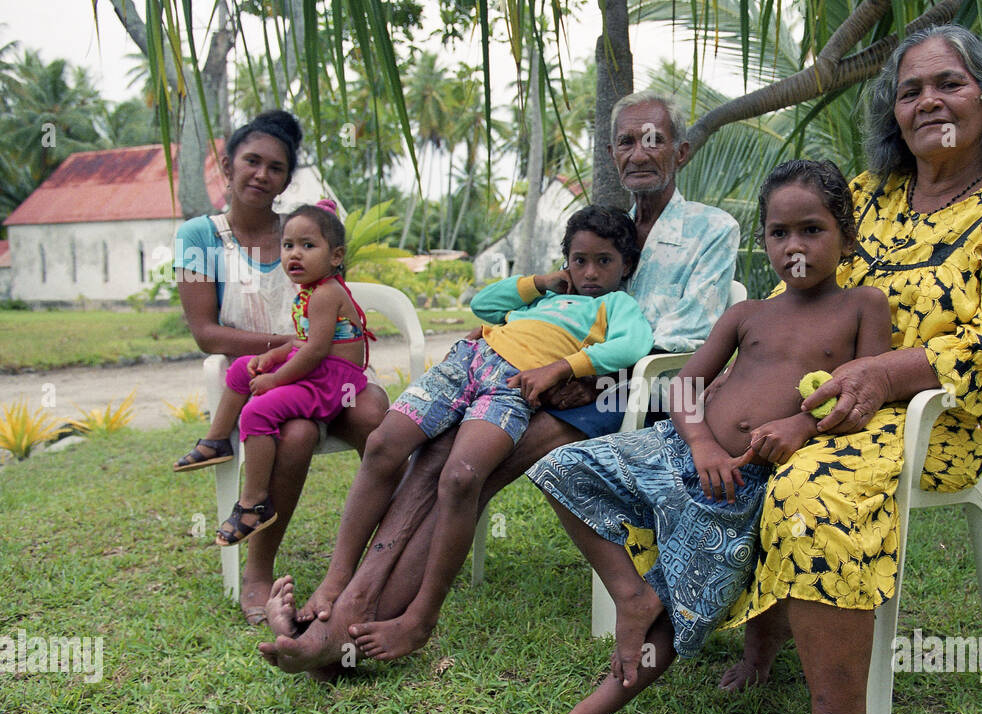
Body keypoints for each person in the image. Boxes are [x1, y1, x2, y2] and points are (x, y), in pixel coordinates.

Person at [713, 25, 982, 714]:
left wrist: (888, 372)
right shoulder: (869, 195)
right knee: (721, 447)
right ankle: (753, 640)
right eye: (910, 89)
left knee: (814, 488)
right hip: (826, 401)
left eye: (948, 83)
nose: (929, 101)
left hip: (937, 422)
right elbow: (801, 286)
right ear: (893, 111)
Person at [259, 91, 740, 679]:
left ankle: (343, 634)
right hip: (542, 380)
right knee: (432, 454)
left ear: (681, 151)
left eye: (654, 139)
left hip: (630, 394)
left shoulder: (710, 228)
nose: (639, 152)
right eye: (625, 140)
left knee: (468, 471)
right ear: (612, 152)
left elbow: (688, 339)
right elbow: (541, 307)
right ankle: (346, 610)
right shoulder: (599, 232)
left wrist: (584, 379)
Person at [525, 159, 891, 714]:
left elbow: (861, 396)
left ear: (847, 239)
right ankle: (628, 596)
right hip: (680, 451)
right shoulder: (748, 315)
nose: (794, 247)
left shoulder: (863, 306)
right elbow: (687, 386)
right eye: (779, 233)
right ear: (765, 241)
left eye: (812, 230)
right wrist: (698, 444)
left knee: (684, 604)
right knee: (563, 467)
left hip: (735, 488)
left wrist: (802, 426)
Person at [258, 206, 654, 670]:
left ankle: (421, 615)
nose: (589, 273)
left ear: (626, 265)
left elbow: (631, 345)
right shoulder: (541, 299)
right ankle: (336, 579)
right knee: (385, 445)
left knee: (462, 477)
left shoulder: (615, 306)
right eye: (579, 260)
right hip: (467, 361)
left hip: (512, 385)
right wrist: (541, 282)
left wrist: (563, 367)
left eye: (604, 261)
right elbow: (484, 305)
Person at [173, 110, 388, 621]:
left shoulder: (307, 228)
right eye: (251, 161)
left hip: (329, 372)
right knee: (291, 435)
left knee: (376, 421)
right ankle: (259, 569)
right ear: (227, 164)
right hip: (268, 379)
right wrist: (286, 347)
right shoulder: (200, 237)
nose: (261, 175)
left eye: (275, 167)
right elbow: (206, 334)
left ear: (286, 178)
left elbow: (336, 309)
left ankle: (390, 556)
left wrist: (306, 350)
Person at [173, 201, 373, 547]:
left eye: (308, 246)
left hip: (334, 382)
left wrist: (275, 379)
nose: (295, 254)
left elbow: (313, 351)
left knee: (257, 410)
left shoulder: (326, 294)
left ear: (336, 255)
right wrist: (271, 356)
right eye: (288, 245)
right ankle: (217, 439)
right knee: (240, 368)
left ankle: (253, 504)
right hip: (319, 368)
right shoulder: (309, 292)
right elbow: (302, 342)